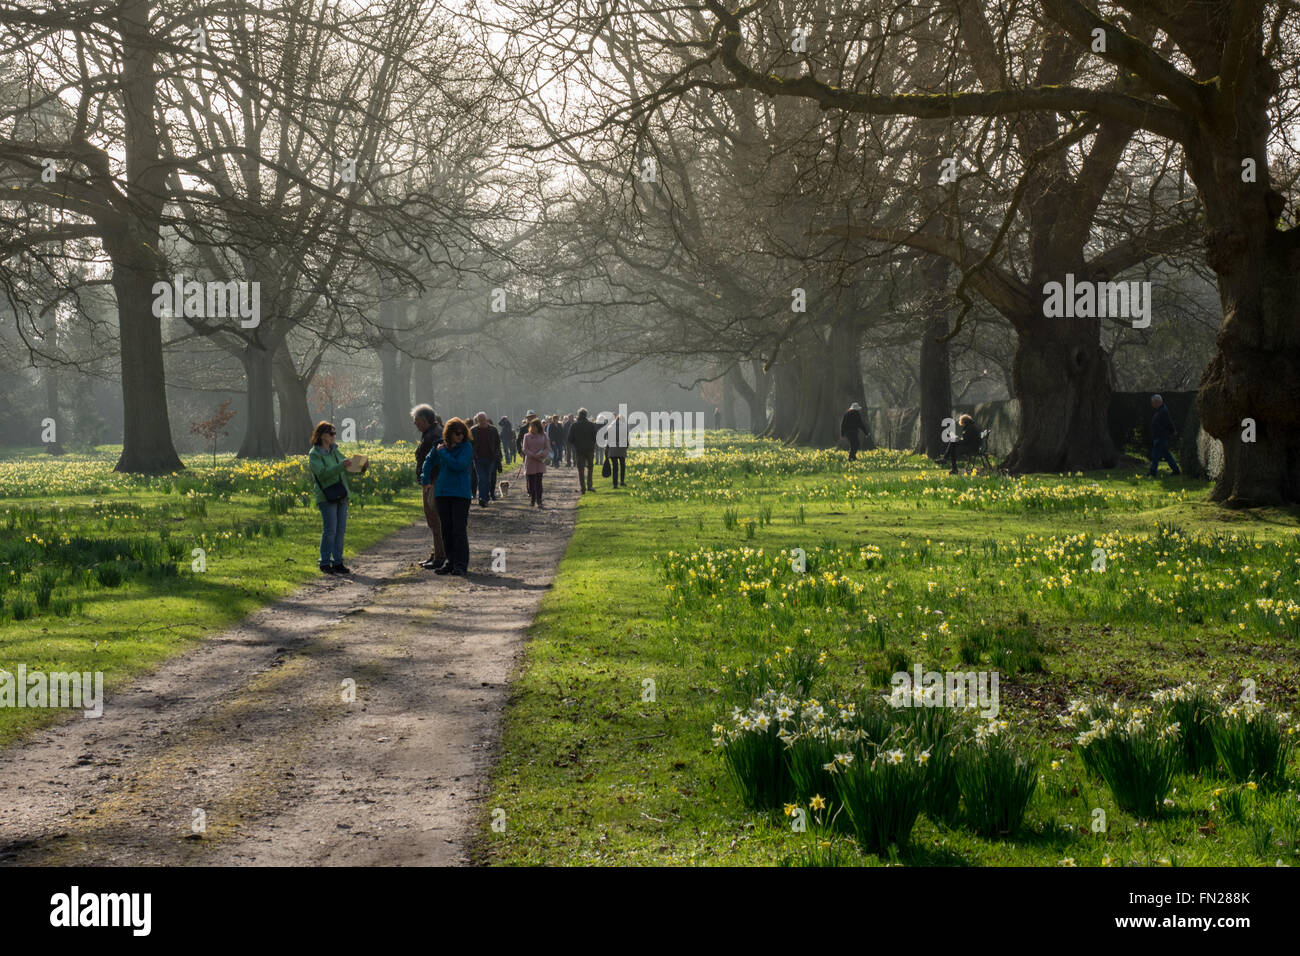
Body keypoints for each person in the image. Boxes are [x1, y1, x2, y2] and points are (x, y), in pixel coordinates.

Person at [421, 416, 472, 575]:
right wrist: (425, 479)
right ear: (449, 433)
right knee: (446, 529)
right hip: (442, 492)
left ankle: (460, 564)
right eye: (457, 433)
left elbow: (459, 465)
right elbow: (428, 462)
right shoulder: (439, 445)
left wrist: (443, 454)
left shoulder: (466, 448)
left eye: (462, 433)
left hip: (460, 493)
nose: (460, 436)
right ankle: (450, 561)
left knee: (459, 529)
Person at [309, 421, 354, 574]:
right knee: (330, 530)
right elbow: (322, 474)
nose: (334, 436)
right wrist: (341, 465)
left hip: (341, 493)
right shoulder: (314, 454)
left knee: (340, 530)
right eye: (331, 433)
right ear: (322, 435)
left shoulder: (335, 451)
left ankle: (338, 562)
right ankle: (325, 562)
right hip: (326, 495)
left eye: (335, 433)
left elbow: (347, 467)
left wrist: (361, 467)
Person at [411, 404, 447, 570]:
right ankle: (438, 552)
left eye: (417, 421)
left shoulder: (433, 435)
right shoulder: (432, 432)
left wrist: (427, 481)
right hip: (432, 481)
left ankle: (440, 555)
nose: (415, 424)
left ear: (425, 420)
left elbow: (432, 461)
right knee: (434, 520)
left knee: (435, 520)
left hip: (433, 481)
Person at [470, 412, 504, 507]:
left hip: (490, 458)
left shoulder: (493, 430)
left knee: (488, 478)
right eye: (480, 420)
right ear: (477, 421)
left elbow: (498, 443)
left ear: (486, 419)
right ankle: (482, 498)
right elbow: (470, 444)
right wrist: (473, 454)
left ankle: (486, 497)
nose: (482, 422)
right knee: (481, 478)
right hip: (478, 459)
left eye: (484, 420)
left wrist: (496, 455)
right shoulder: (473, 430)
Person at [1149, 394, 1181, 477]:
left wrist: (1173, 431)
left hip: (1161, 436)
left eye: (1153, 402)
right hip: (1160, 436)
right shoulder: (1160, 410)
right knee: (1166, 454)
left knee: (1155, 455)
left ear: (1157, 402)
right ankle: (1176, 469)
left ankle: (1153, 472)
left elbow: (1168, 422)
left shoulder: (1163, 411)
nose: (1152, 404)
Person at [522, 417, 550, 507]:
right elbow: (525, 449)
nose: (533, 428)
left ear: (538, 427)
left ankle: (539, 500)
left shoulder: (544, 435)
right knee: (531, 482)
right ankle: (532, 499)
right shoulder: (526, 436)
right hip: (530, 462)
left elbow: (547, 448)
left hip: (540, 462)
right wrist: (533, 455)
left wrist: (542, 454)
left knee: (538, 482)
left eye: (534, 427)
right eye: (531, 427)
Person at [569, 407, 598, 494]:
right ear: (586, 415)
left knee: (580, 469)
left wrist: (576, 444)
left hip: (579, 450)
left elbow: (570, 439)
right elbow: (595, 437)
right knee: (590, 468)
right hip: (589, 449)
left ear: (578, 415)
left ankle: (583, 487)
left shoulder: (574, 425)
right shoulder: (591, 425)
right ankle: (590, 485)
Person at [605, 412, 628, 488]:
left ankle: (615, 484)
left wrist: (608, 449)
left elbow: (608, 439)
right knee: (622, 466)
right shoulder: (624, 427)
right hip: (621, 448)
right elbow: (626, 439)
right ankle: (622, 481)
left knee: (615, 467)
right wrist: (626, 446)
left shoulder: (610, 426)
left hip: (613, 448)